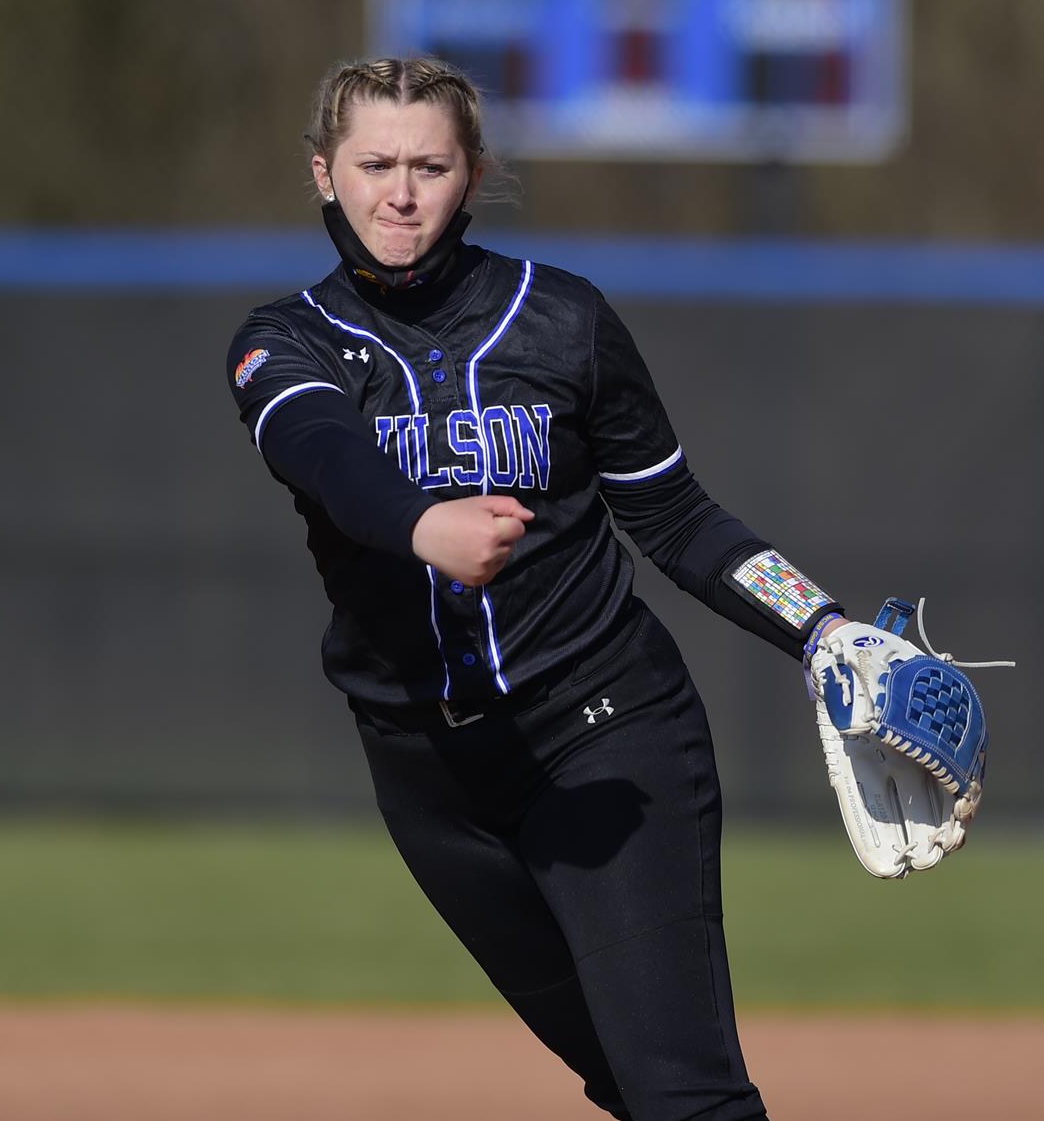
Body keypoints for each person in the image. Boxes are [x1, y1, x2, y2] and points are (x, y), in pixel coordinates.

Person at [225, 57, 852, 1120]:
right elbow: (321, 448)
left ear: (472, 173)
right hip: (429, 776)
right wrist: (426, 522)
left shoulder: (560, 318)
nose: (402, 191)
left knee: (681, 1089)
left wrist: (824, 627)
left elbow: (678, 515)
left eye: (431, 163)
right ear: (324, 173)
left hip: (602, 734)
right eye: (375, 163)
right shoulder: (281, 342)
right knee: (620, 1075)